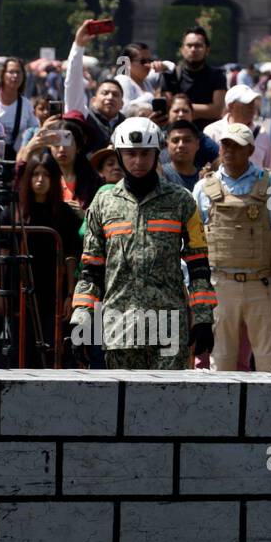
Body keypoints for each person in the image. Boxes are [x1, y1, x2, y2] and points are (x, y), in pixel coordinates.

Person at [70, 117, 215, 368]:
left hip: (169, 325)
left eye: (145, 154)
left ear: (157, 154)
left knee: (170, 403)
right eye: (131, 154)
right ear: (119, 155)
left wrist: (203, 318)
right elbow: (91, 269)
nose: (138, 161)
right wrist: (81, 317)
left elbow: (198, 264)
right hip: (119, 325)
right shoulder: (103, 203)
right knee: (124, 405)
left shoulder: (181, 201)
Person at [195, 123, 271, 373]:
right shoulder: (204, 188)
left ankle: (270, 411)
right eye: (225, 144)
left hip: (261, 282)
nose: (229, 150)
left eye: (237, 146)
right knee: (221, 358)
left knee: (270, 359)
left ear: (250, 149)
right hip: (220, 283)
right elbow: (195, 239)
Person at [5, 149, 83, 366]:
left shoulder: (65, 214)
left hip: (52, 292)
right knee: (19, 351)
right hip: (18, 291)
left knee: (51, 349)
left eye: (46, 175)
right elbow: (1, 251)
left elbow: (70, 256)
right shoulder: (14, 212)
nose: (40, 180)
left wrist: (70, 293)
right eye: (35, 174)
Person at [162, 26, 226, 130]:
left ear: (207, 50)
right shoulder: (171, 74)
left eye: (198, 45)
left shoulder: (217, 75)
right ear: (182, 50)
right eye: (189, 45)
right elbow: (167, 106)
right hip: (177, 134)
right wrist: (205, 109)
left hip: (207, 135)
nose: (193, 49)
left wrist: (180, 108)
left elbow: (217, 111)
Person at [203, 84, 271, 171]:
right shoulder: (211, 132)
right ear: (231, 106)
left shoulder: (262, 134)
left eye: (253, 102)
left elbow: (268, 168)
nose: (252, 107)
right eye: (246, 103)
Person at [160, 119, 202, 192]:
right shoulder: (159, 176)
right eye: (175, 141)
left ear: (197, 144)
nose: (181, 145)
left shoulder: (205, 178)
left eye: (187, 140)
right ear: (167, 144)